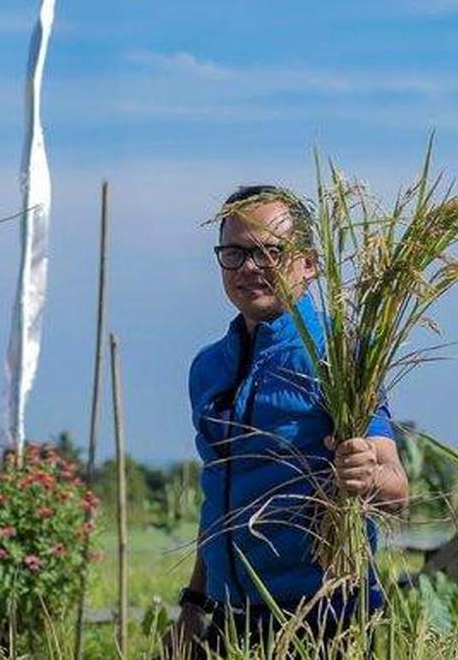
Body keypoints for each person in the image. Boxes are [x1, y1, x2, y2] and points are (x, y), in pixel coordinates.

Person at [167, 187, 409, 656]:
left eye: (268, 253)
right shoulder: (209, 368)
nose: (249, 268)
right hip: (230, 618)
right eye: (234, 253)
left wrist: (365, 474)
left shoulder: (340, 357)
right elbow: (217, 499)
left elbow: (397, 491)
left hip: (323, 613)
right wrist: (194, 607)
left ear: (309, 264)